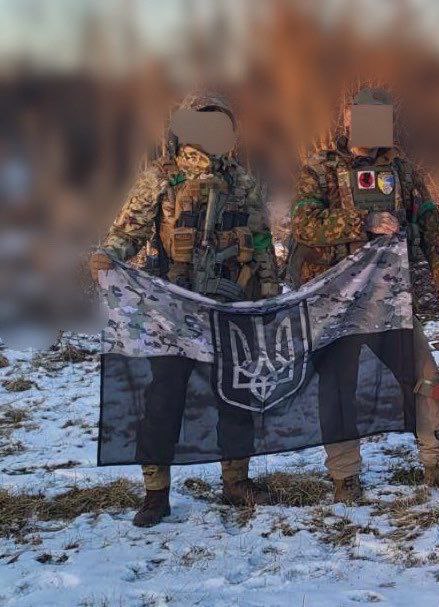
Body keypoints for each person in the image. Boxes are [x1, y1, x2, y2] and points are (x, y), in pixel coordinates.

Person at [89, 92, 282, 526]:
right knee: (164, 398)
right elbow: (129, 231)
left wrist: (269, 292)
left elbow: (261, 241)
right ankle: (155, 493)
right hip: (172, 310)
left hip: (231, 304)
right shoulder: (160, 177)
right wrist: (107, 256)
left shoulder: (242, 182)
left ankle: (236, 481)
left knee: (237, 394)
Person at [286, 86, 439, 502]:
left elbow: (432, 228)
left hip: (390, 300)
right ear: (347, 119)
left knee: (428, 381)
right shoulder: (319, 169)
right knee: (337, 387)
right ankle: (345, 479)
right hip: (336, 303)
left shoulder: (402, 170)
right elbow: (303, 225)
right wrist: (361, 221)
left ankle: (437, 464)